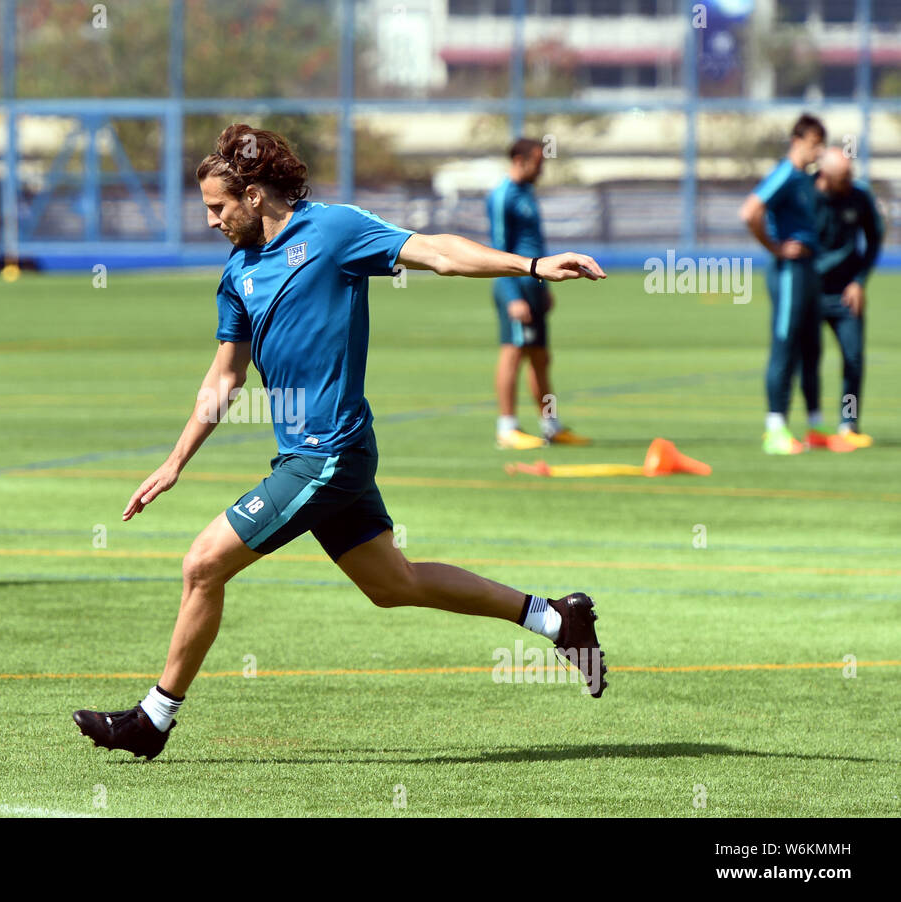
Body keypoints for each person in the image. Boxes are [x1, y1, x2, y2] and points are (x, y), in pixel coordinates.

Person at [73, 124, 608, 761]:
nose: (211, 222)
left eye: (217, 207)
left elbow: (436, 251)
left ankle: (152, 720)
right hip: (311, 456)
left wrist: (532, 265)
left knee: (201, 563)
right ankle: (556, 619)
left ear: (252, 194)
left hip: (330, 453)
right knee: (394, 584)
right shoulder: (238, 274)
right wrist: (174, 462)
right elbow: (225, 376)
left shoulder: (333, 230)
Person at [487, 138, 587, 449]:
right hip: (513, 288)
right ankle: (507, 428)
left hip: (535, 288)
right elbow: (498, 248)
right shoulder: (502, 196)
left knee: (541, 358)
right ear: (519, 159)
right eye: (538, 162)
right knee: (513, 353)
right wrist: (512, 295)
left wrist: (545, 287)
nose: (542, 169)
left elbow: (537, 244)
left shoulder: (527, 193)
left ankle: (551, 426)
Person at [739, 114, 826, 455]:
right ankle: (774, 429)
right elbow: (750, 210)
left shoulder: (807, 179)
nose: (819, 149)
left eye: (822, 143)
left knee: (811, 346)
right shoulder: (786, 174)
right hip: (788, 270)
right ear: (797, 140)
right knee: (785, 343)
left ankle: (816, 425)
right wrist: (773, 246)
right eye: (814, 142)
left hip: (808, 267)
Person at [806, 146, 882, 450]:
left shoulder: (859, 196)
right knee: (806, 361)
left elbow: (875, 239)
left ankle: (848, 423)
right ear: (825, 175)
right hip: (810, 291)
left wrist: (859, 281)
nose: (849, 181)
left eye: (851, 174)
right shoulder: (805, 194)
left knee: (852, 359)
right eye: (843, 177)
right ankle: (814, 425)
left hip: (845, 293)